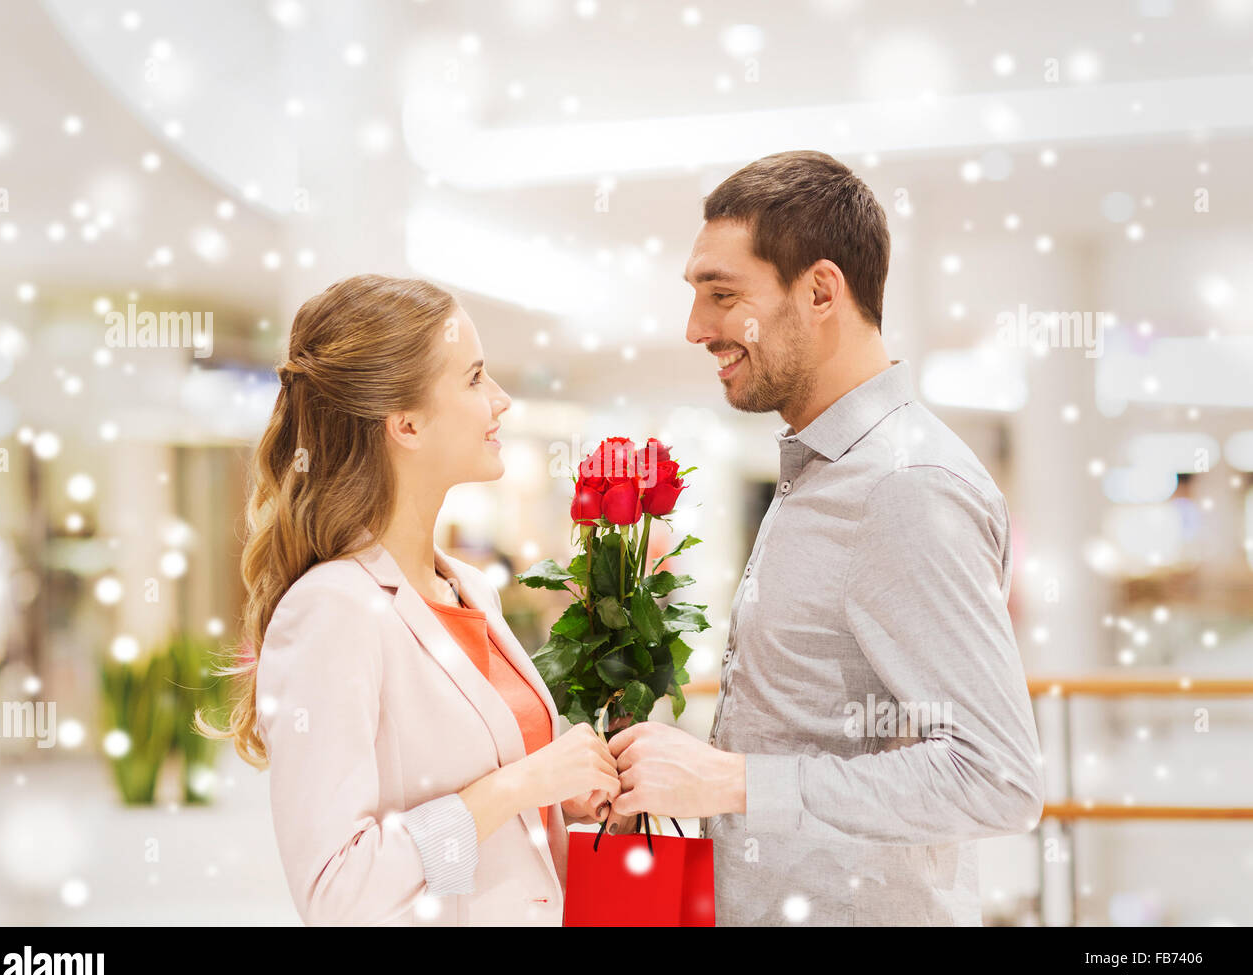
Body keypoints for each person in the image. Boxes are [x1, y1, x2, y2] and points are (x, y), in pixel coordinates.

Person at [605, 150, 1045, 926]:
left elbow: (997, 778)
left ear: (819, 291)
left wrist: (734, 782)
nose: (696, 328)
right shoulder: (823, 467)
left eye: (722, 294)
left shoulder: (904, 487)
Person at [199, 274, 620, 925]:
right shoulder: (333, 609)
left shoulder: (469, 588)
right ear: (405, 423)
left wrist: (554, 802)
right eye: (476, 378)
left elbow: (462, 842)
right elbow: (341, 897)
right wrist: (518, 787)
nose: (501, 400)